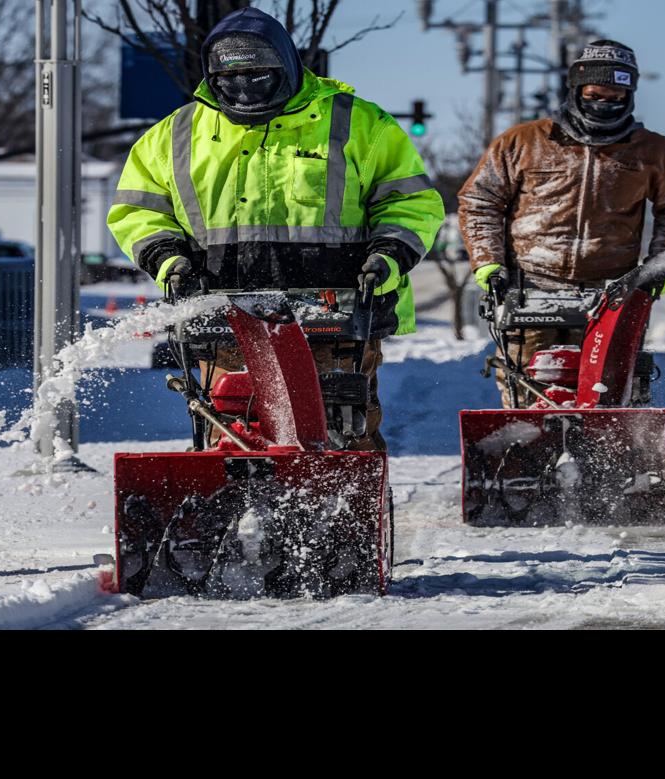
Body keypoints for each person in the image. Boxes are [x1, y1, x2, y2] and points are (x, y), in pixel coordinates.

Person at [106, 8, 443, 449]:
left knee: (342, 434)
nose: (244, 87)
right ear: (213, 76)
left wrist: (388, 256)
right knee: (230, 429)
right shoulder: (175, 135)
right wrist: (169, 261)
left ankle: (345, 492)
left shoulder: (358, 124)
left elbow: (410, 203)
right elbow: (137, 211)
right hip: (224, 316)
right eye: (231, 78)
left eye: (257, 76)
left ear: (285, 66)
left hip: (337, 316)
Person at [458, 40, 665, 407]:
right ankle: (526, 439)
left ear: (630, 96)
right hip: (530, 286)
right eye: (594, 95)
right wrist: (488, 263)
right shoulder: (523, 142)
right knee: (527, 389)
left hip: (611, 293)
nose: (604, 104)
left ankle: (608, 442)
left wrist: (659, 266)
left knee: (607, 391)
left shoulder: (654, 151)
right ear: (576, 90)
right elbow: (480, 202)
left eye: (615, 97)